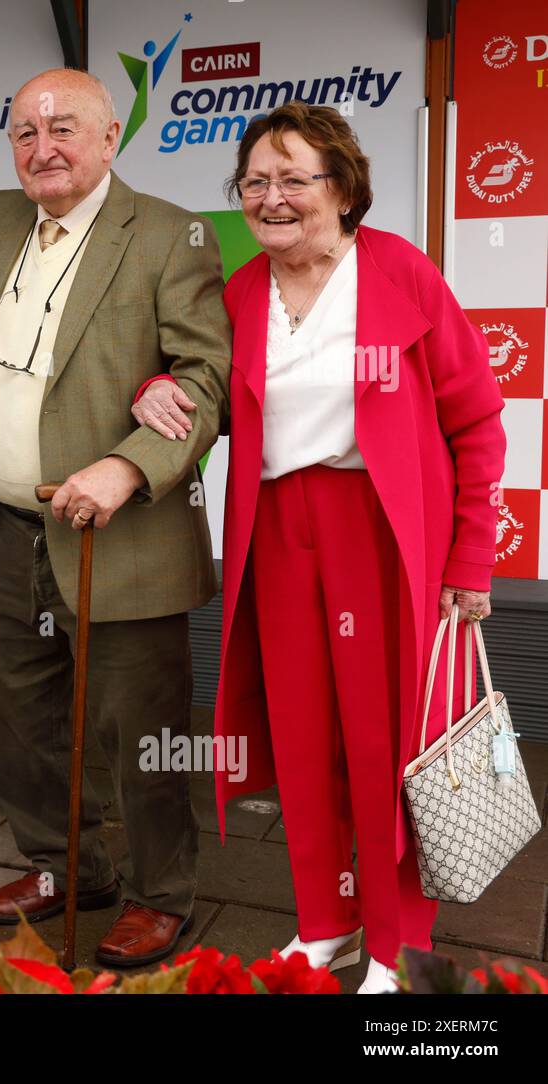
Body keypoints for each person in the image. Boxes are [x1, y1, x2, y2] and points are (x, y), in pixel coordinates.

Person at [138, 102, 506, 992]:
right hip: (277, 532)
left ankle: (395, 945)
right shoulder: (239, 294)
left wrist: (469, 561)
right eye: (256, 182)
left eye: (295, 179)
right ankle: (325, 922)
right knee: (302, 738)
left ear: (340, 188)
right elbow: (205, 385)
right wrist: (157, 387)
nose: (273, 198)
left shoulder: (400, 274)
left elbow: (478, 420)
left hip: (381, 533)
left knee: (388, 745)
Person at [0, 68, 230, 967]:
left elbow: (203, 380)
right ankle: (66, 867)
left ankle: (160, 893)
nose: (44, 147)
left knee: (138, 727)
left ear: (111, 137)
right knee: (22, 720)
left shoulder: (167, 237)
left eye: (65, 127)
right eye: (25, 132)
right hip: (6, 525)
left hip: (122, 532)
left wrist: (124, 466)